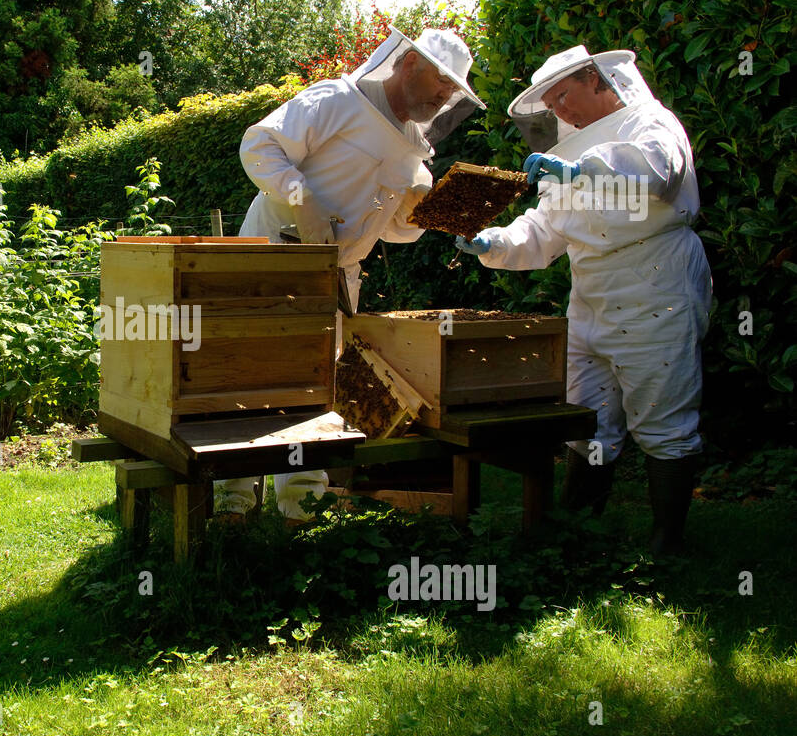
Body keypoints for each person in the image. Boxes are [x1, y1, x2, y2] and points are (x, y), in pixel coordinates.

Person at [216, 27, 487, 522]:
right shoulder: (334, 99)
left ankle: (303, 505)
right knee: (252, 374)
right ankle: (233, 500)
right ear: (408, 65)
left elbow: (397, 232)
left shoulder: (415, 153)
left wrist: (425, 212)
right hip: (275, 252)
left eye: (454, 90)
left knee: (318, 384)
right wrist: (304, 198)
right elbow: (259, 145)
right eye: (441, 82)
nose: (446, 95)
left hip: (338, 273)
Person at [454, 45, 711, 555]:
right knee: (585, 412)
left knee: (663, 413)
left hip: (655, 283)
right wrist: (494, 242)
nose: (560, 113)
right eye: (551, 105)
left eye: (564, 97)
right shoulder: (566, 154)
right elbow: (548, 229)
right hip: (590, 290)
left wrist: (585, 170)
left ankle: (666, 542)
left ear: (597, 80)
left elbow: (658, 179)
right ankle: (577, 526)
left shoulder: (650, 123)